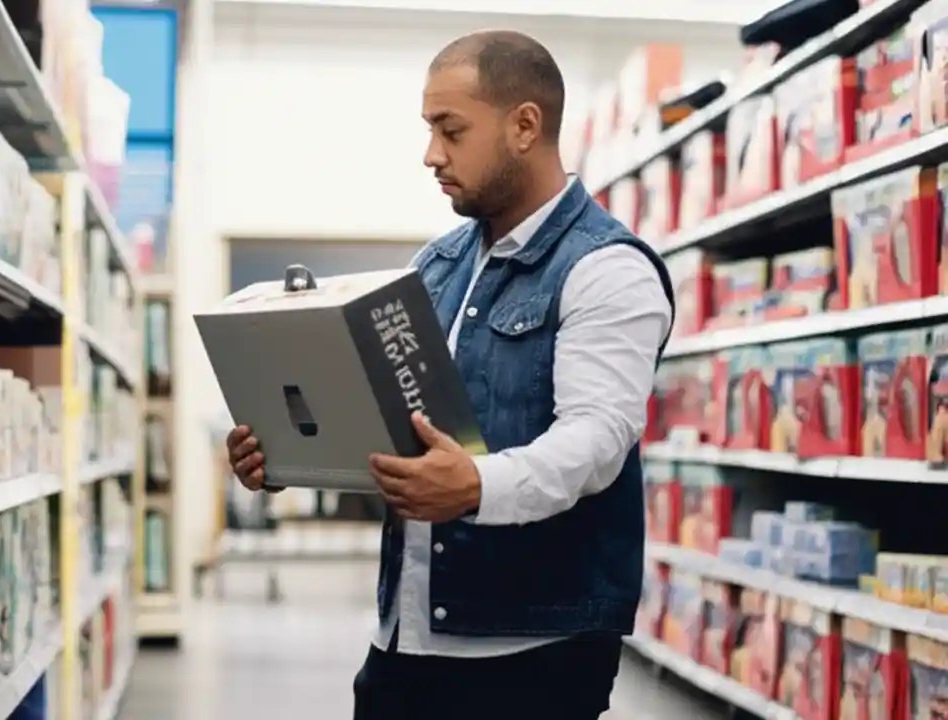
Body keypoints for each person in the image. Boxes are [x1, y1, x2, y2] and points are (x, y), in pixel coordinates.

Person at [226, 29, 675, 719]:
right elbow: (386, 423)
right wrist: (286, 455)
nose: (431, 154)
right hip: (403, 643)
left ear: (525, 125)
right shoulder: (435, 267)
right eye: (430, 129)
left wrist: (475, 486)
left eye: (451, 129)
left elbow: (595, 442)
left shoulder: (605, 269)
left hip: (533, 658)